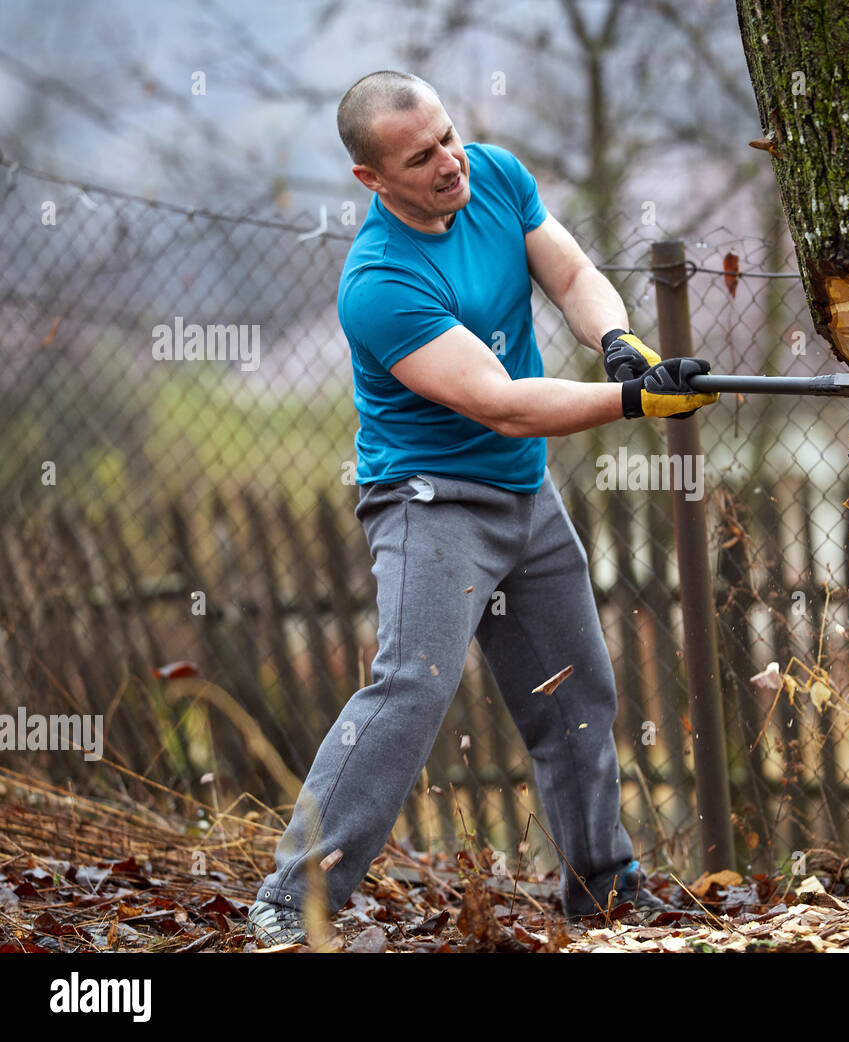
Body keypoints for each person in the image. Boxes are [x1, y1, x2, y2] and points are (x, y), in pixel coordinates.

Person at [245, 70, 719, 945]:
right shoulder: (380, 284)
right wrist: (634, 403)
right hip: (431, 503)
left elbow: (572, 271)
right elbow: (500, 401)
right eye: (420, 157)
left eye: (449, 135)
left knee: (576, 688)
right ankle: (291, 901)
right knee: (410, 689)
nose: (449, 162)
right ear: (372, 179)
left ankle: (602, 888)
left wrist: (616, 344)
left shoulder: (496, 176)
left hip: (523, 493)